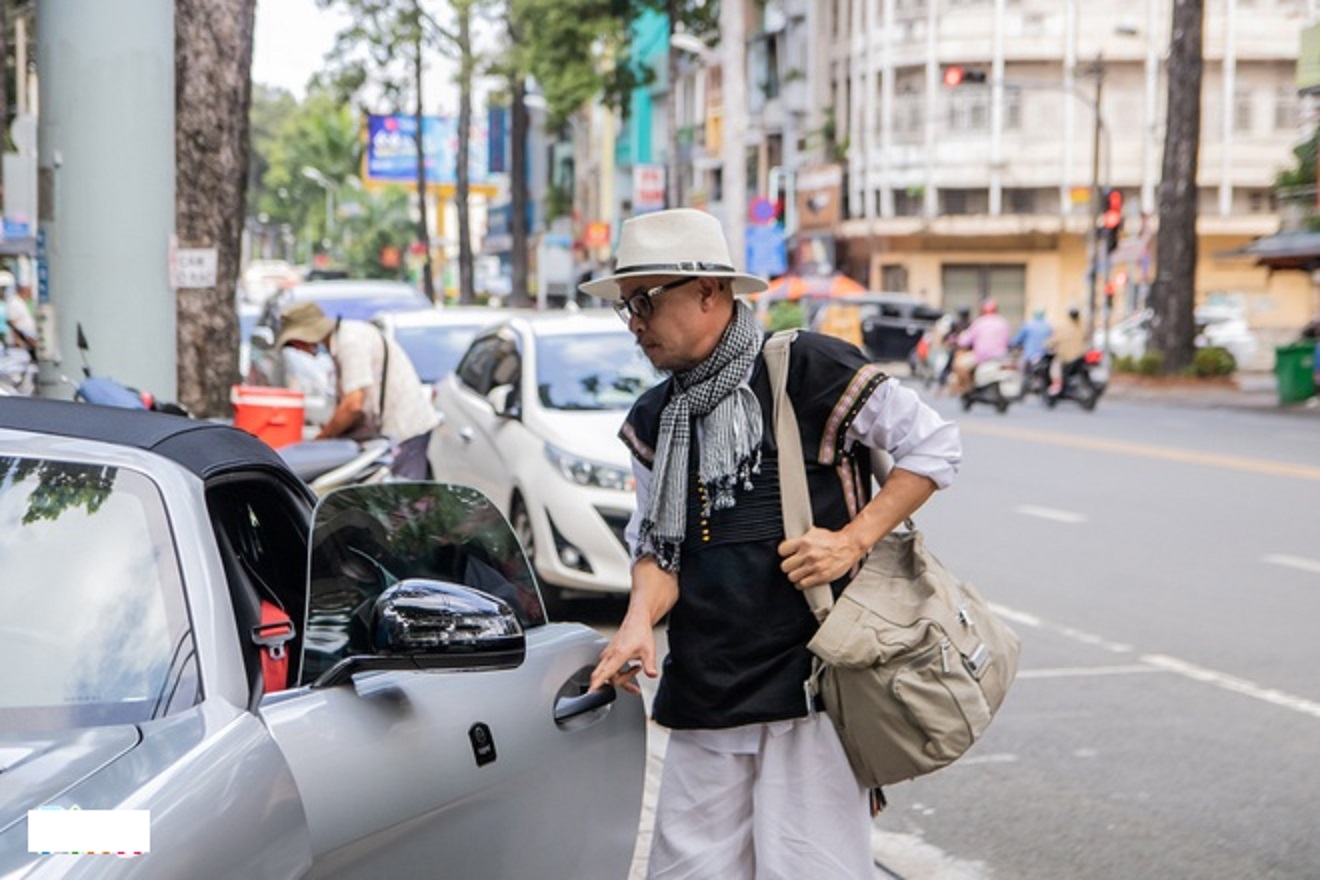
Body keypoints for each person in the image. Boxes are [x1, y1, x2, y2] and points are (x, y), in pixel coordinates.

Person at [582, 208, 962, 879]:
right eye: (625, 305)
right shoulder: (654, 418)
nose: (634, 322)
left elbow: (933, 446)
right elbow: (658, 551)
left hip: (812, 685)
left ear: (709, 291)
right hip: (704, 688)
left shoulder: (807, 368)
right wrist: (638, 622)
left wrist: (851, 541)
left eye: (645, 300)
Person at [275, 300, 438, 479]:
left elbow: (353, 405)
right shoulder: (340, 342)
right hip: (386, 433)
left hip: (405, 430)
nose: (298, 350)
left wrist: (322, 439)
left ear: (307, 335)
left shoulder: (350, 340)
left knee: (402, 491)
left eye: (295, 343)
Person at [953, 299, 1012, 394]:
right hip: (1001, 356)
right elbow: (1008, 341)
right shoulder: (1003, 322)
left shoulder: (979, 322)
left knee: (959, 365)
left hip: (981, 357)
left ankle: (968, 389)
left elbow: (963, 341)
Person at [1050, 307, 1088, 397]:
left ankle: (1059, 387)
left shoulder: (1065, 327)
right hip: (1080, 356)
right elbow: (1086, 337)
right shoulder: (1082, 326)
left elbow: (1054, 339)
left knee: (1055, 370)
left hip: (1067, 358)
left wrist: (1048, 344)